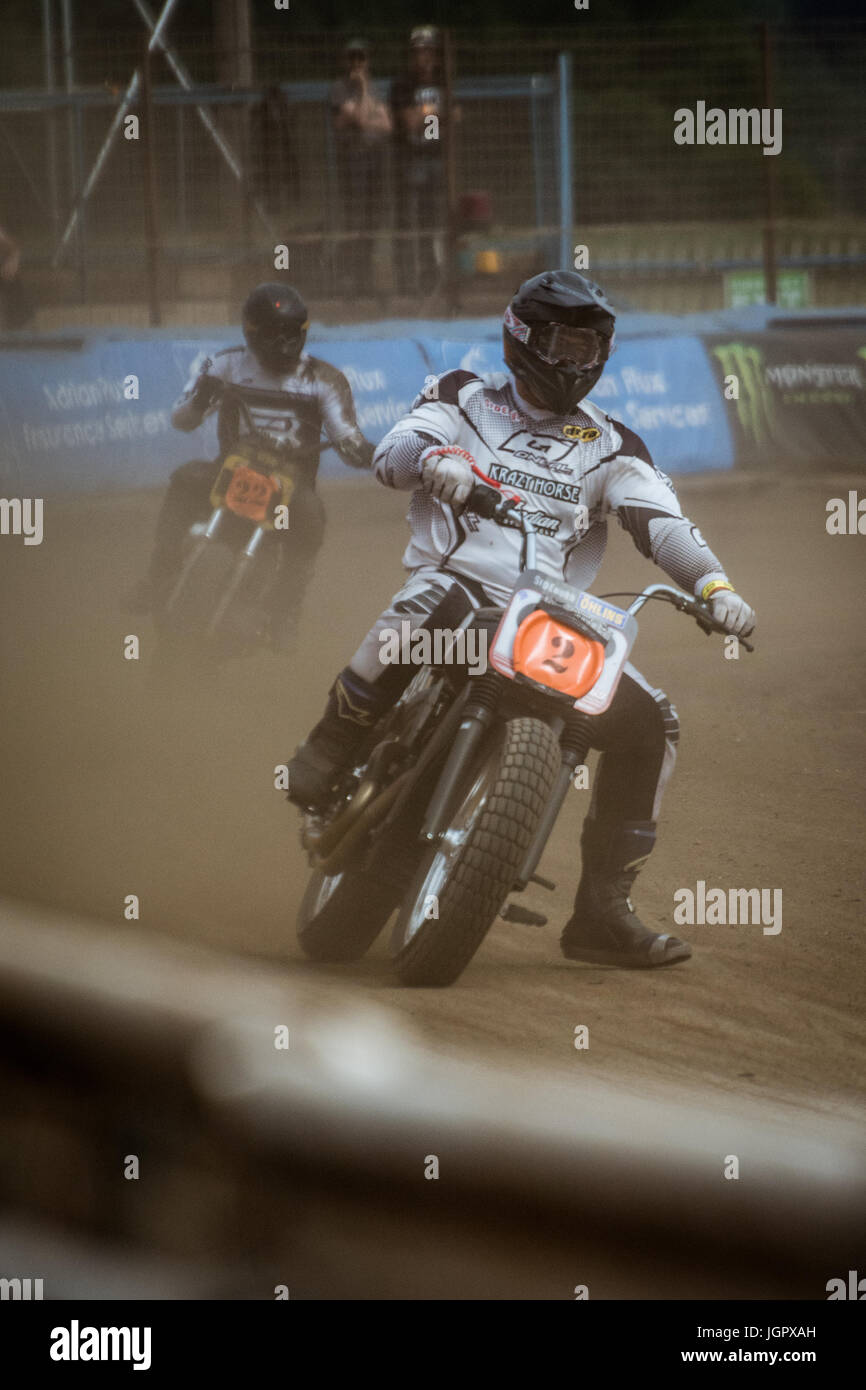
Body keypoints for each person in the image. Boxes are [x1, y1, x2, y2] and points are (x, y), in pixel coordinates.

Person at [286, 270, 757, 968]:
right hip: (458, 593)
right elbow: (391, 456)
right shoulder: (463, 396)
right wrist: (439, 458)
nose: (576, 361)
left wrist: (714, 585)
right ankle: (335, 742)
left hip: (546, 617)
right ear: (524, 337)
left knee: (651, 722)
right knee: (432, 600)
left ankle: (601, 914)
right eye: (564, 344)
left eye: (589, 348)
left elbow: (663, 524)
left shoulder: (612, 444)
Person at [126, 282, 373, 645]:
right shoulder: (224, 365)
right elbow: (182, 420)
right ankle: (158, 575)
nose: (283, 344)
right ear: (252, 332)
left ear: (303, 332)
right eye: (274, 334)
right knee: (185, 479)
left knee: (311, 517)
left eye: (290, 334)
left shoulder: (325, 380)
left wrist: (371, 454)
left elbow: (348, 438)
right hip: (230, 471)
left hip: (290, 487)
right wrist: (200, 399)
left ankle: (284, 610)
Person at [390, 25, 456, 295]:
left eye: (428, 51)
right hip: (411, 159)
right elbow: (410, 121)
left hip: (437, 158)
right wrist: (439, 113)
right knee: (409, 219)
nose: (424, 57)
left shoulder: (444, 81)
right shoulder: (403, 85)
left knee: (434, 219)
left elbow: (457, 115)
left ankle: (432, 276)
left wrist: (428, 113)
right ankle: (407, 279)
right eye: (419, 52)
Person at [330, 38, 391, 296]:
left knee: (371, 219)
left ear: (367, 61)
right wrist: (364, 93)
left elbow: (386, 125)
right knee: (354, 220)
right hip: (352, 159)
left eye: (361, 58)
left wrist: (365, 112)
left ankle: (366, 276)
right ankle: (351, 276)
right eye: (353, 58)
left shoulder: (376, 88)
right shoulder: (339, 89)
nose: (357, 64)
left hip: (374, 158)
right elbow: (361, 119)